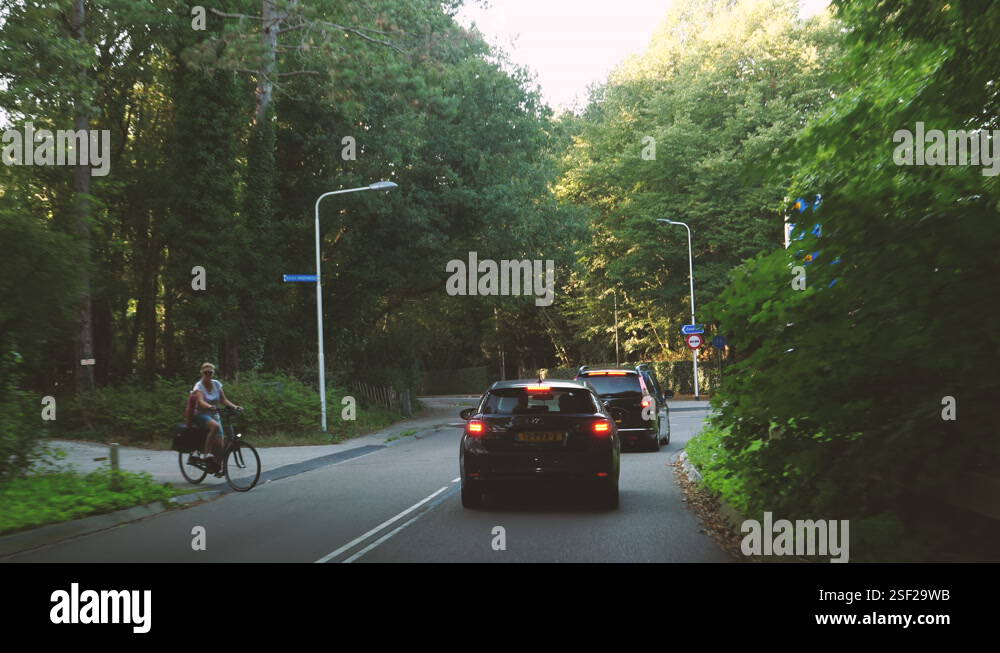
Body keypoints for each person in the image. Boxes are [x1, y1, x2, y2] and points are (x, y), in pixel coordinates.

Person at [191, 362, 241, 476]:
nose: (208, 374)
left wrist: (235, 407)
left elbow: (224, 400)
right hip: (200, 414)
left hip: (214, 414)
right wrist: (209, 406)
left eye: (210, 372)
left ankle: (219, 468)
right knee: (215, 426)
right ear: (202, 373)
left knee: (220, 445)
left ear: (213, 373)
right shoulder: (198, 386)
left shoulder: (217, 384)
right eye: (206, 372)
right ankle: (206, 454)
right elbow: (200, 401)